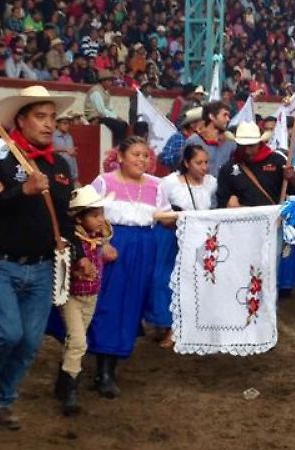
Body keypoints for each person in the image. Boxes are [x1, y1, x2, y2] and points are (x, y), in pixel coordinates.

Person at [0, 85, 74, 429]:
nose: (48, 125)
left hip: (42, 265)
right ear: (21, 119)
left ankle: (1, 397)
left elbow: (66, 212)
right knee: (7, 334)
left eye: (52, 118)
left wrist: (70, 243)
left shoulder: (60, 164)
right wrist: (20, 191)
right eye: (40, 117)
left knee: (29, 341)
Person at [86, 136, 171, 398]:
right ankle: (103, 370)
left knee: (131, 303)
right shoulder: (104, 182)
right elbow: (85, 215)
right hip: (113, 244)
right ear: (120, 157)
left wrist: (183, 218)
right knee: (108, 304)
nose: (141, 160)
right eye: (136, 154)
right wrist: (101, 244)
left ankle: (111, 364)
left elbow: (165, 218)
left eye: (145, 155)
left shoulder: (157, 186)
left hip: (145, 246)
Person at [215, 122, 295, 293]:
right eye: (243, 146)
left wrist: (292, 178)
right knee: (243, 266)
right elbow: (222, 197)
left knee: (270, 266)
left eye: (251, 146)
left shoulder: (279, 161)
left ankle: (266, 303)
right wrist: (229, 201)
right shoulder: (228, 168)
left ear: (260, 143)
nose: (248, 151)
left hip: (273, 226)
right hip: (242, 228)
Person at [56, 184, 117, 416]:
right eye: (94, 215)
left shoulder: (98, 238)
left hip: (90, 295)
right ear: (79, 219)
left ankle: (63, 382)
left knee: (75, 341)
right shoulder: (72, 241)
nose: (101, 219)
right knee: (79, 341)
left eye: (101, 214)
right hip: (72, 297)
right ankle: (70, 390)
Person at [152, 144, 217, 349]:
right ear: (187, 163)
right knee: (162, 280)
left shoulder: (211, 183)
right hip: (170, 238)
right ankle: (165, 322)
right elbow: (157, 208)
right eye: (199, 163)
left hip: (198, 240)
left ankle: (176, 329)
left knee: (189, 283)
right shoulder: (169, 183)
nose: (204, 167)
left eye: (206, 162)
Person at [184, 101, 235, 178]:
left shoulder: (230, 143)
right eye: (225, 115)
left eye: (228, 116)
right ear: (212, 116)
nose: (228, 119)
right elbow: (183, 169)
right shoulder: (194, 141)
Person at [84, 70, 128, 143]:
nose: (111, 83)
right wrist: (116, 117)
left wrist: (116, 116)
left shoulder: (106, 92)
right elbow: (101, 110)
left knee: (123, 124)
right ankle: (118, 145)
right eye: (109, 81)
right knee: (118, 125)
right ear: (103, 81)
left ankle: (120, 144)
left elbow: (109, 108)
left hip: (103, 117)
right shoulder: (96, 91)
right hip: (95, 118)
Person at [52, 109, 78, 180]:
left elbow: (72, 154)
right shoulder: (52, 136)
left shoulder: (69, 136)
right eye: (64, 123)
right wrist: (65, 150)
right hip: (59, 171)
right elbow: (49, 150)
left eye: (68, 124)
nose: (67, 126)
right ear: (57, 124)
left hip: (71, 170)